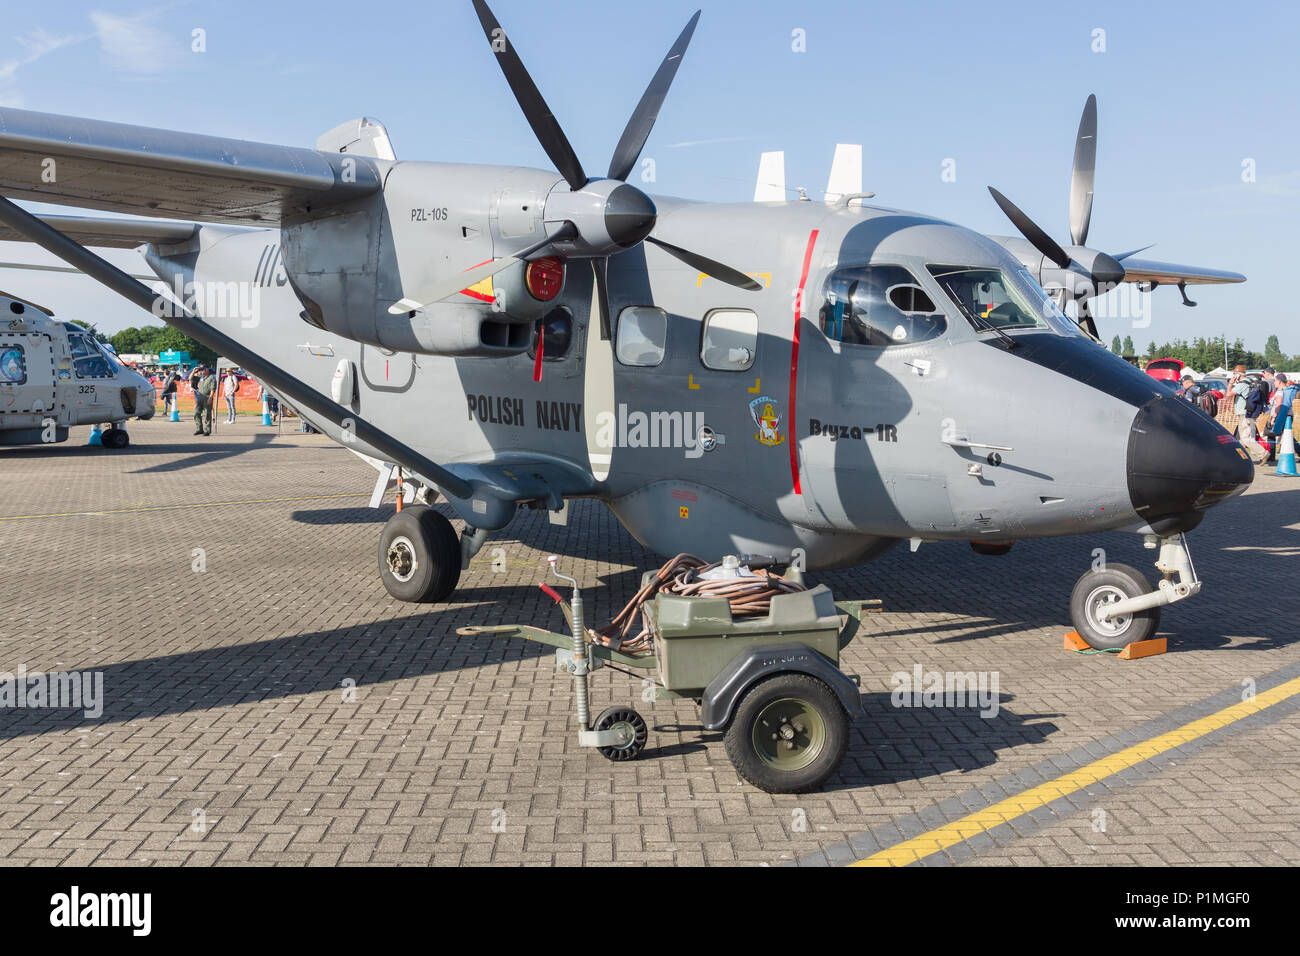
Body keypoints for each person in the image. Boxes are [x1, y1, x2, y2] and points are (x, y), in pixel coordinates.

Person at [1230, 368, 1267, 464]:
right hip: (1250, 412)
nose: (1233, 376)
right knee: (1244, 438)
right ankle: (1240, 458)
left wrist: (1230, 383)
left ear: (1238, 374)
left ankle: (1263, 453)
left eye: (1234, 374)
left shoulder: (1242, 384)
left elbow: (1228, 394)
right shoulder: (1250, 382)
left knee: (1246, 438)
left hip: (1244, 414)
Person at [193, 365, 216, 436]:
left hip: (207, 397)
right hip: (200, 397)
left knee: (207, 414)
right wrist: (194, 371)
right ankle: (199, 429)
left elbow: (213, 388)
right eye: (200, 370)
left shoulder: (211, 377)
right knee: (196, 412)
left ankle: (207, 430)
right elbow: (190, 378)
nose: (201, 371)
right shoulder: (201, 377)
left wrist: (210, 398)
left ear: (206, 369)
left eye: (202, 370)